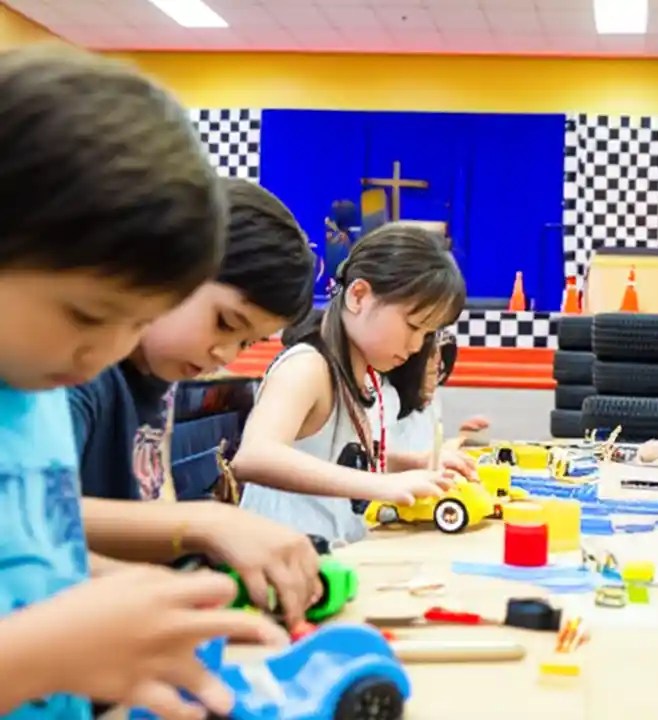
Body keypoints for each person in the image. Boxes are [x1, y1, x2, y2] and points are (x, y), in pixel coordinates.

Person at [0, 44, 283, 719]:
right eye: (88, 315)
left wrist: (146, 601)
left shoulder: (35, 391)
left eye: (138, 323)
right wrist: (42, 653)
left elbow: (32, 563)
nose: (104, 353)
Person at [70, 179, 324, 626]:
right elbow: (28, 521)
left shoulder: (161, 376)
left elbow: (151, 509)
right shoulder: (74, 371)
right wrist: (204, 524)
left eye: (246, 341)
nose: (225, 354)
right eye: (225, 322)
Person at [233, 223, 476, 545]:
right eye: (414, 326)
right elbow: (254, 456)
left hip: (331, 553)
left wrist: (410, 464)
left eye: (427, 334)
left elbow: (332, 459)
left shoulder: (367, 375)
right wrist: (379, 485)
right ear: (358, 295)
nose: (417, 345)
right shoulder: (307, 366)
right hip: (277, 558)